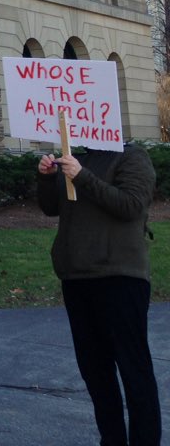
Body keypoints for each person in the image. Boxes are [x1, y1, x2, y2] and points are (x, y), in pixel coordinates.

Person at [37, 145, 162, 446]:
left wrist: (82, 176)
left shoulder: (132, 156)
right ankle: (112, 439)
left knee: (134, 371)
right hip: (77, 277)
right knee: (96, 373)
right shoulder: (73, 154)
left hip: (121, 277)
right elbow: (52, 206)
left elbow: (132, 205)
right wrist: (47, 177)